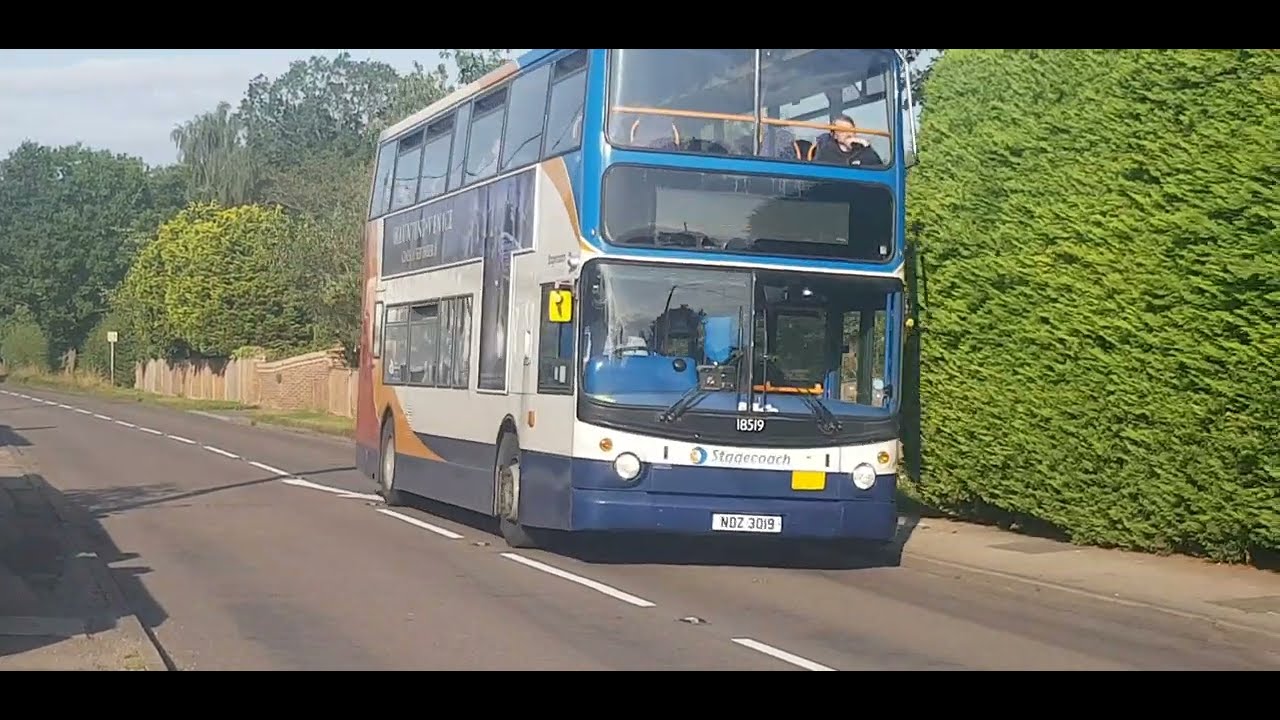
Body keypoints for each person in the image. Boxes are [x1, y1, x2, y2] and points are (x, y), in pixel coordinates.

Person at [814, 115, 884, 168]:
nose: (848, 134)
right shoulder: (826, 150)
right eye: (843, 131)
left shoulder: (862, 150)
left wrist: (866, 146)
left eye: (851, 130)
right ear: (834, 135)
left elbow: (879, 168)